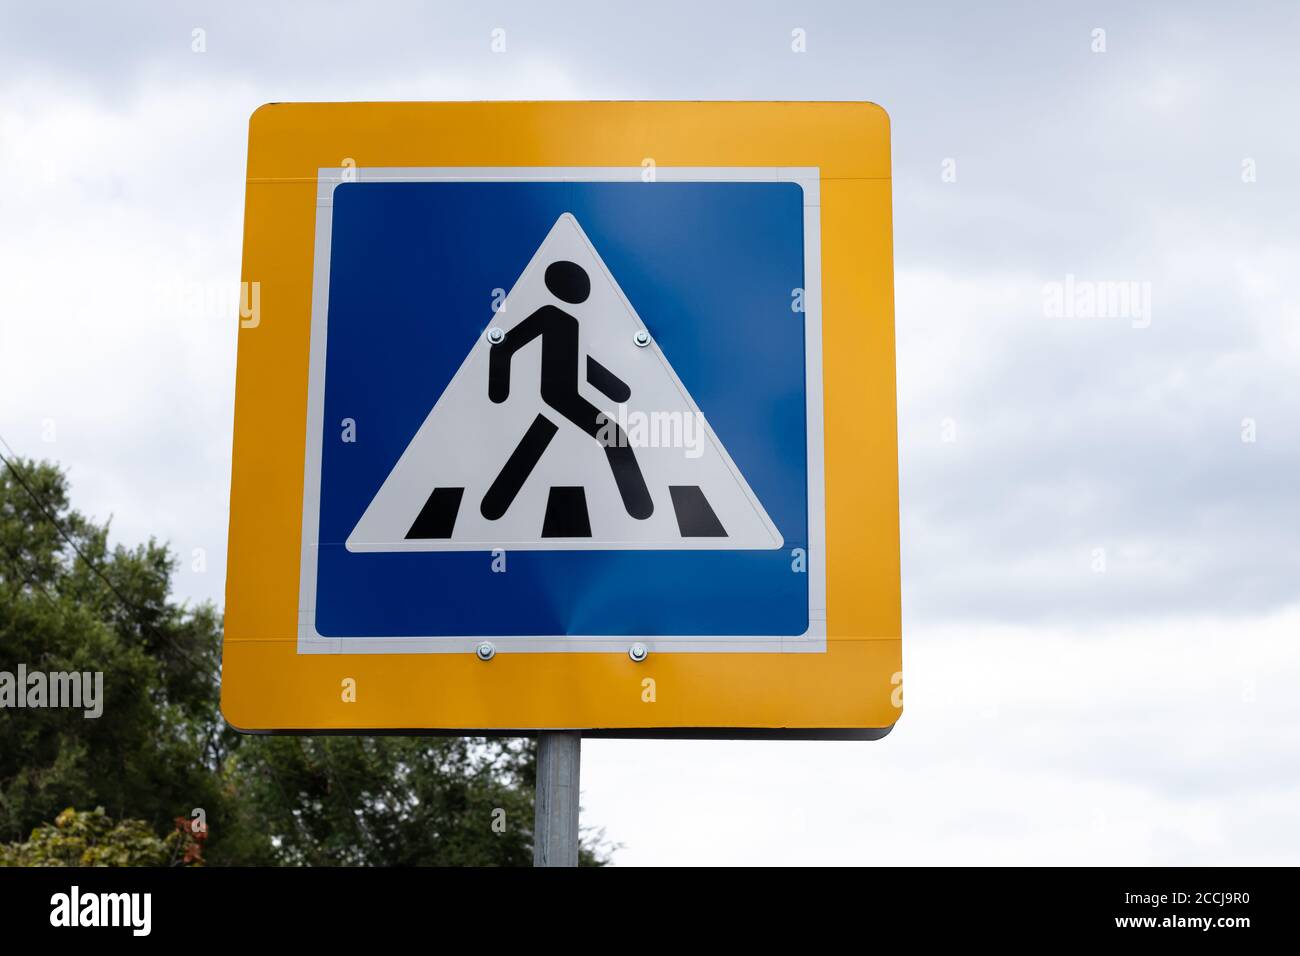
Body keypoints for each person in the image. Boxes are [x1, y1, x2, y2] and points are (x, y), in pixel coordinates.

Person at [480, 259, 653, 521]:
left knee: (535, 443)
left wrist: (617, 390)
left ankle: (492, 506)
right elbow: (508, 345)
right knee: (614, 436)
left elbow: (581, 363)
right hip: (558, 394)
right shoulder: (548, 313)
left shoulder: (571, 322)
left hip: (563, 395)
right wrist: (498, 388)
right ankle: (641, 510)